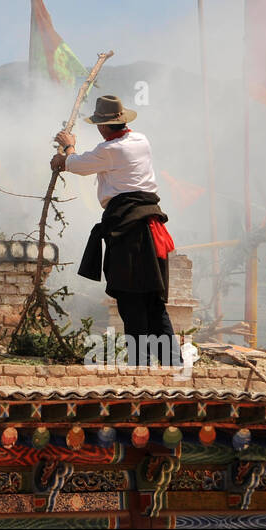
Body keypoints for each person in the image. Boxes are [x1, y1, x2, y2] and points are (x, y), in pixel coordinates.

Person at [51, 95, 179, 367]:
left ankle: (140, 365)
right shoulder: (141, 141)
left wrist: (67, 148)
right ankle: (173, 364)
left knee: (131, 299)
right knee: (152, 301)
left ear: (103, 126)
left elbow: (77, 165)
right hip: (150, 229)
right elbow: (82, 163)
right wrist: (65, 159)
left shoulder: (110, 150)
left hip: (130, 232)